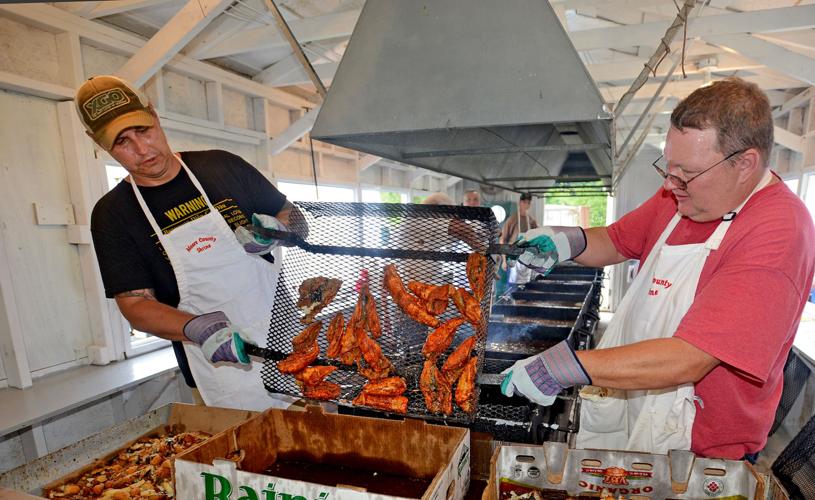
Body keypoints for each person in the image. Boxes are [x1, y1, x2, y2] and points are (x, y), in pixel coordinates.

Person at [500, 77, 815, 460]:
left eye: (687, 173)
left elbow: (691, 357)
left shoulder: (778, 229)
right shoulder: (684, 194)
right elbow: (617, 239)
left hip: (698, 451)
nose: (670, 183)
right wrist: (567, 241)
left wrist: (565, 366)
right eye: (669, 167)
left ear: (746, 164)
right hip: (635, 406)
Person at [76, 75, 302, 411]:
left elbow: (295, 217)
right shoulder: (113, 214)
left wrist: (278, 229)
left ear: (153, 114)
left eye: (144, 131)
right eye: (123, 142)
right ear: (99, 144)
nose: (142, 150)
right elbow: (136, 307)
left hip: (292, 346)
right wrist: (193, 327)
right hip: (218, 366)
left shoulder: (223, 167)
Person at [500, 192, 539, 284]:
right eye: (524, 202)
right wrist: (504, 260)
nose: (526, 205)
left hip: (528, 258)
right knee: (513, 288)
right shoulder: (512, 219)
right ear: (520, 202)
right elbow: (502, 240)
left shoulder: (531, 221)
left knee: (526, 288)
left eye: (528, 203)